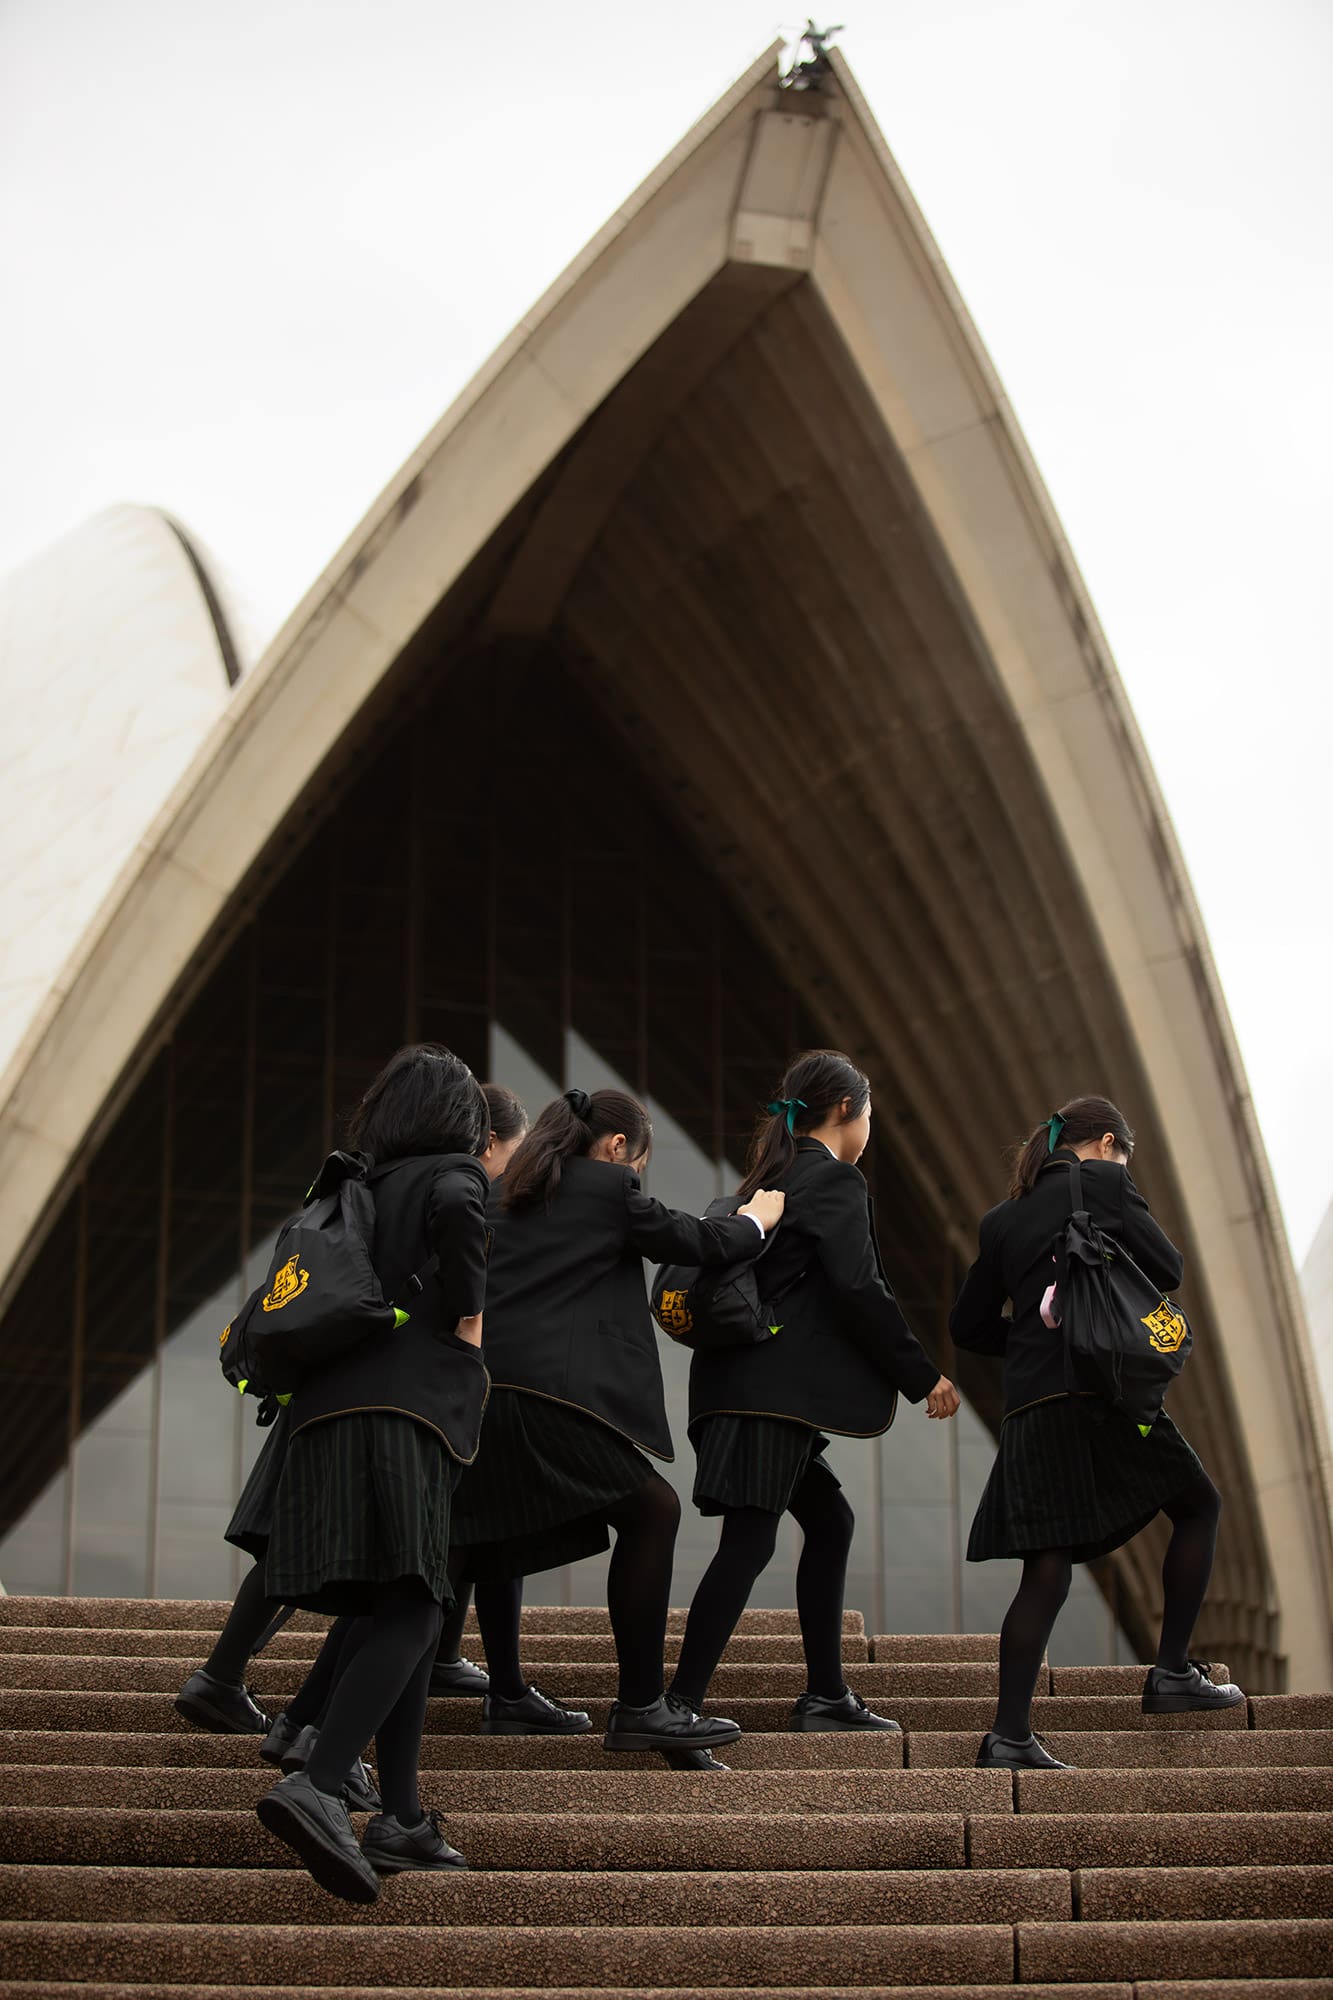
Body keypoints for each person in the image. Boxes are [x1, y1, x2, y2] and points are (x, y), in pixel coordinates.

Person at [449, 1085, 785, 1763]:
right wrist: (757, 1217)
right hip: (554, 1396)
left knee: (491, 1531)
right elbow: (697, 1239)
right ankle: (639, 1709)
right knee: (652, 1511)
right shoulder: (605, 1187)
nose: (637, 1177)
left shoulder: (500, 1191)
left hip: (481, 1394)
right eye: (639, 1163)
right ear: (618, 1146)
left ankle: (506, 1694)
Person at [255, 1043, 492, 1903]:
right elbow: (466, 1231)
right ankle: (319, 1782)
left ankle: (399, 1814)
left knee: (401, 1604)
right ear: (458, 1120)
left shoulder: (350, 1186)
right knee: (420, 1602)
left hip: (322, 1417)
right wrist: (469, 1319)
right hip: (403, 1414)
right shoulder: (452, 1177)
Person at [670, 1050, 959, 1747]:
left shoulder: (767, 1178)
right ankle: (673, 1707)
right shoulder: (832, 1180)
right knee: (748, 1541)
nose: (869, 1129)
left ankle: (825, 1693)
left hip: (741, 1388)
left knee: (827, 1522)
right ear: (843, 1114)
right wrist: (923, 1376)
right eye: (868, 1116)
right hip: (768, 1396)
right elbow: (860, 1288)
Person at [950, 1094, 1244, 1772]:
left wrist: (1029, 1338)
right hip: (1100, 1393)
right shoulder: (1106, 1183)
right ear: (1107, 1142)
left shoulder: (1002, 1219)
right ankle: (1170, 1672)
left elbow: (966, 1328)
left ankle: (1010, 1735)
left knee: (1045, 1567)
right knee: (1198, 1505)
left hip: (1031, 1405)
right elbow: (1165, 1269)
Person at [432, 1082, 530, 1697]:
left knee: (469, 1523)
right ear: (490, 1143)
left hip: (436, 1388)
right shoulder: (462, 1196)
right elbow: (468, 1307)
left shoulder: (435, 1189)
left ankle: (445, 1658)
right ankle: (306, 1726)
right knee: (471, 1526)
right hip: (448, 1389)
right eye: (512, 1159)